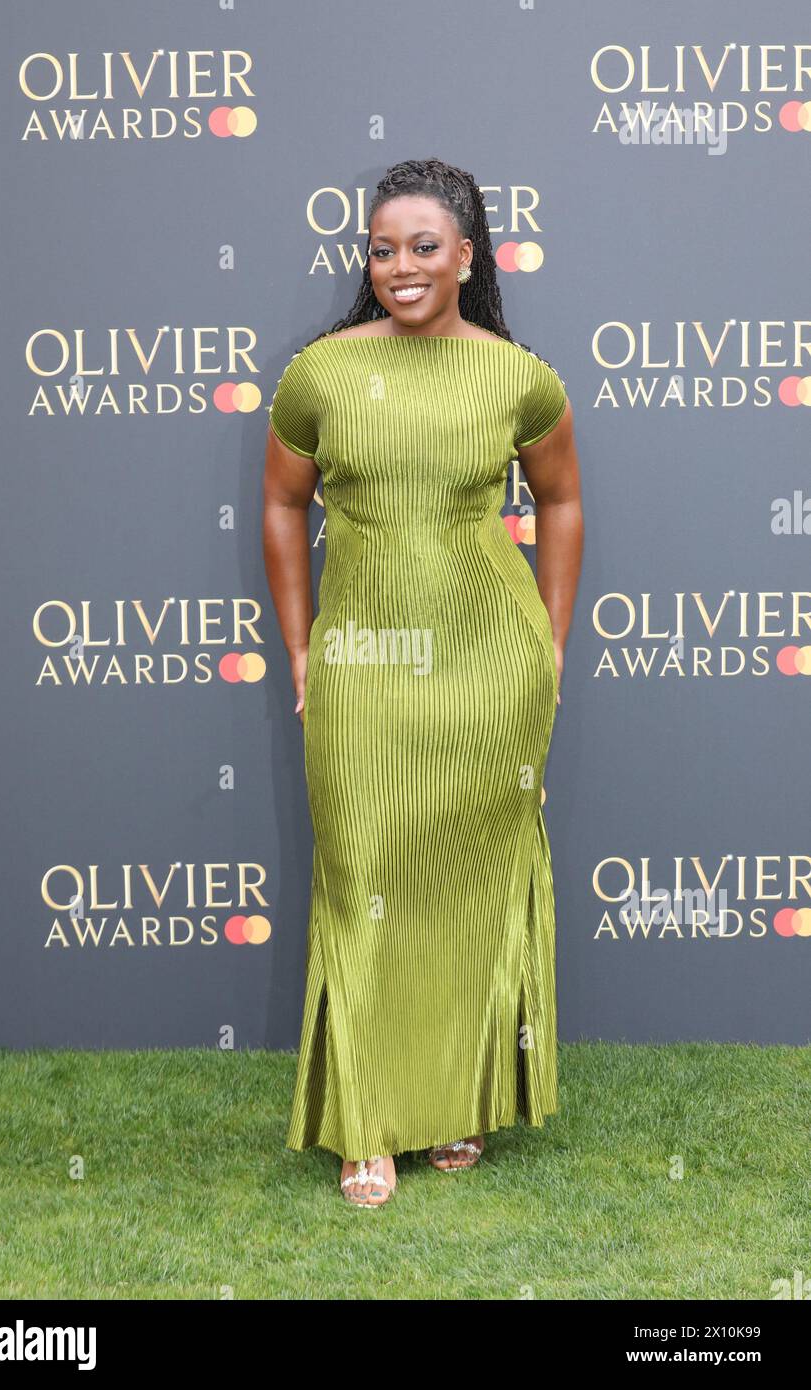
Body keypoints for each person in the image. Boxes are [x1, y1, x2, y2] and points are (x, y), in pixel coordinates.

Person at [263, 157, 583, 1208]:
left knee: (462, 887)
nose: (398, 267)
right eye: (381, 248)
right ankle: (365, 1122)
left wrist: (550, 639)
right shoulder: (317, 373)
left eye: (422, 246)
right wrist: (302, 648)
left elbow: (562, 502)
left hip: (485, 662)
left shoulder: (518, 377)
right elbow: (280, 508)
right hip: (360, 661)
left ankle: (456, 1105)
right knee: (359, 881)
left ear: (467, 254)